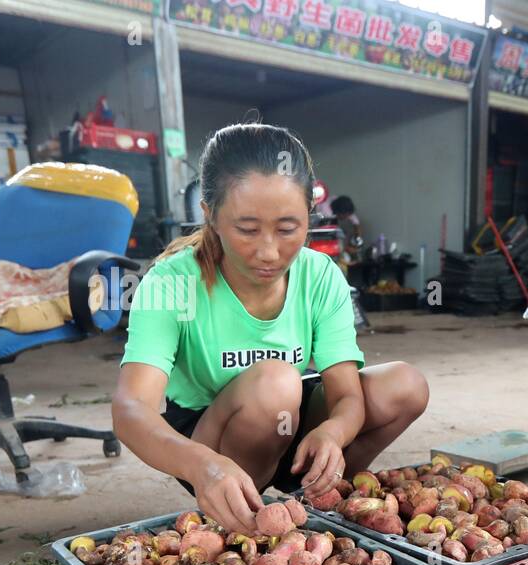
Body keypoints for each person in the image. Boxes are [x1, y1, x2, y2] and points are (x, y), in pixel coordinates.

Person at [111, 123, 429, 535]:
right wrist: (202, 466)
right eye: (246, 229)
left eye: (287, 229)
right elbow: (130, 408)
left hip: (290, 422)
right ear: (210, 216)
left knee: (405, 384)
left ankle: (313, 499)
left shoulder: (320, 276)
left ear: (309, 218)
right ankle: (246, 515)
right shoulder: (172, 283)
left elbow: (348, 395)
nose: (268, 252)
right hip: (212, 441)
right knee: (276, 382)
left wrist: (334, 432)